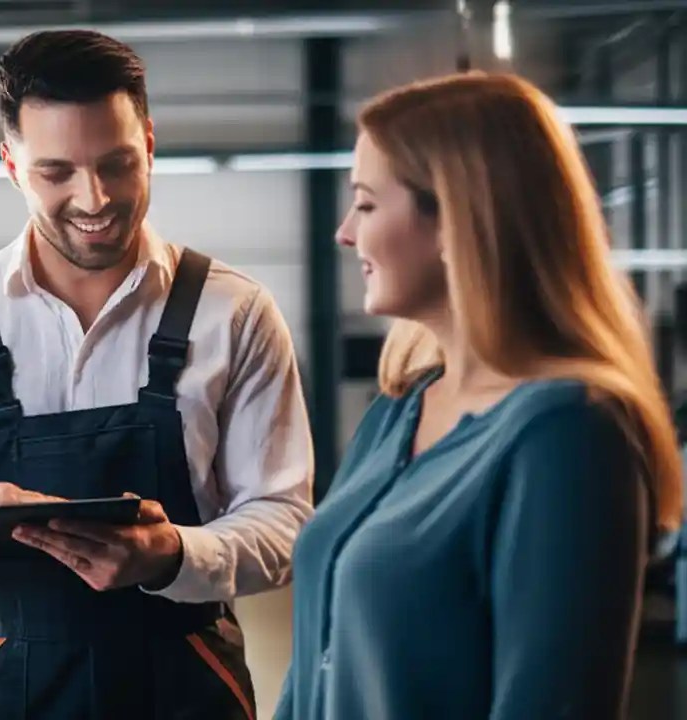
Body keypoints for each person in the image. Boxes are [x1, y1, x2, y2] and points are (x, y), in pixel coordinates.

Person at [0, 30, 314, 719]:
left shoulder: (233, 313)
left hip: (185, 684)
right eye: (57, 172)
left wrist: (172, 555)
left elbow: (287, 523)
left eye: (117, 164)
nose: (94, 199)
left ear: (148, 143)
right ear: (11, 165)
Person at [275, 71, 683, 719]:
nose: (346, 233)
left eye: (368, 203)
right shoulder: (396, 412)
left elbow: (551, 706)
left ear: (455, 218)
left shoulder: (566, 433)